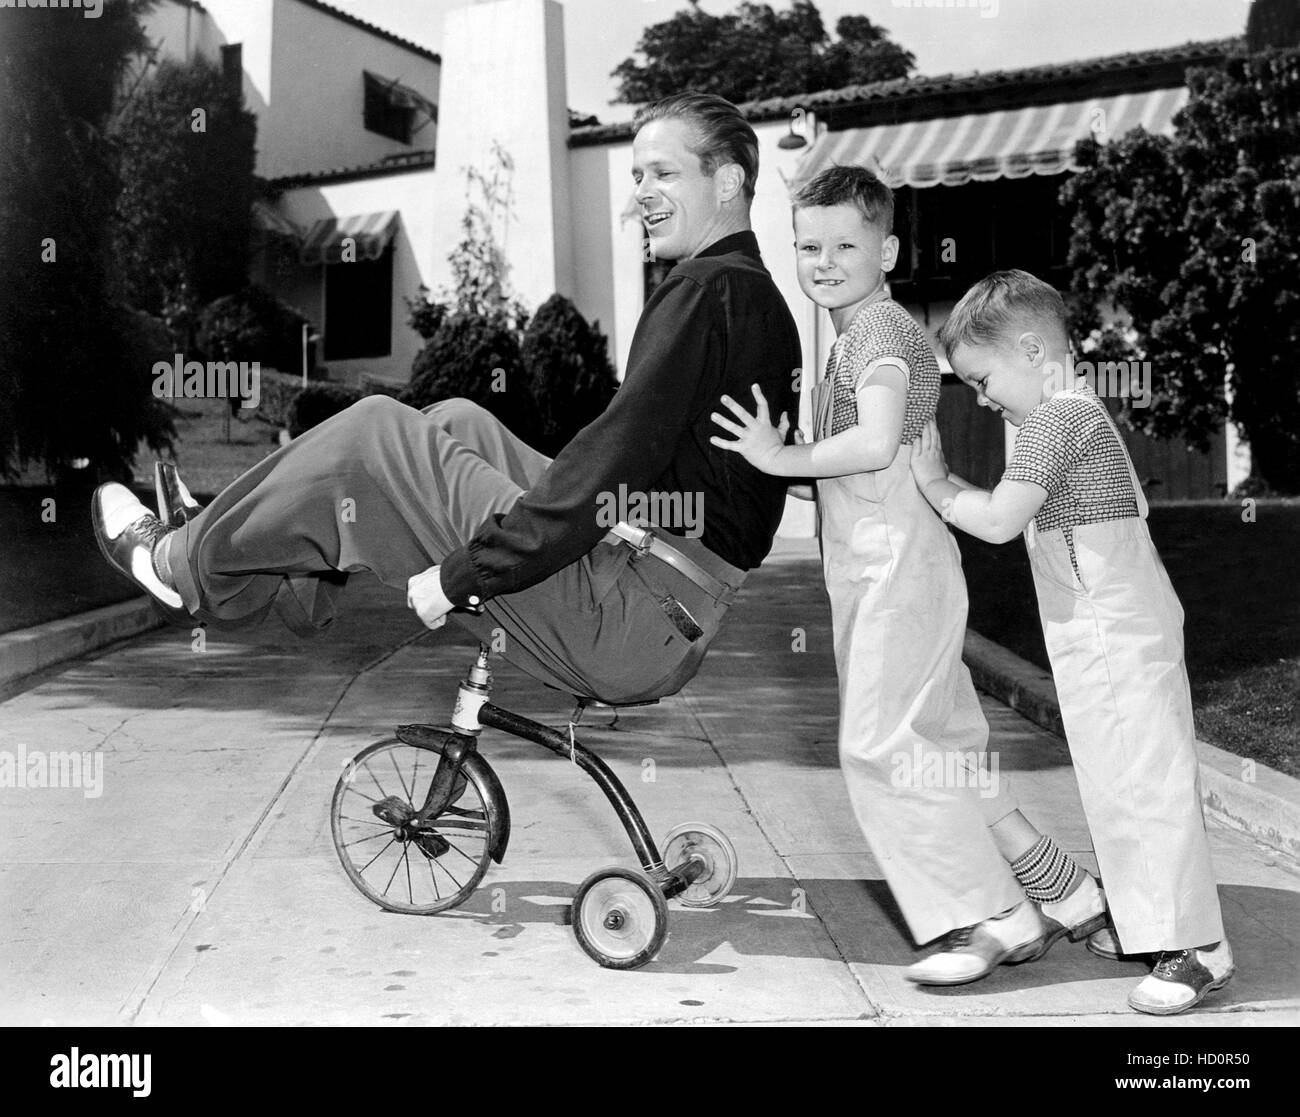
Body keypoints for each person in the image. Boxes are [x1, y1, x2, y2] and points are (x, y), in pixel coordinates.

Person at [92, 91, 801, 707]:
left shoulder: (706, 290)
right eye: (638, 173)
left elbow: (615, 458)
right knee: (457, 421)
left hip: (627, 617)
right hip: (662, 605)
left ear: (729, 180)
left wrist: (464, 575)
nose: (641, 192)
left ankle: (180, 563)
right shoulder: (747, 294)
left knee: (376, 430)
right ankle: (293, 572)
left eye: (664, 173)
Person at [710, 165, 1106, 986]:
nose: (823, 261)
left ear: (886, 248)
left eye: (844, 244)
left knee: (880, 745)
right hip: (896, 569)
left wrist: (777, 454)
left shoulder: (882, 336)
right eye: (808, 245)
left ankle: (990, 913)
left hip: (896, 571)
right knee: (943, 747)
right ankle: (1064, 891)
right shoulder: (856, 338)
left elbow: (878, 440)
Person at [909, 268, 1232, 1015]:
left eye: (984, 380)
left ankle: (1199, 947)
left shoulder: (1061, 419)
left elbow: (995, 520)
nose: (982, 398)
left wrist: (934, 481)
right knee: (1115, 783)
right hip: (1099, 631)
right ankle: (1145, 916)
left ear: (1031, 349)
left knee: (1146, 786)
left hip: (1116, 630)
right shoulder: (1063, 414)